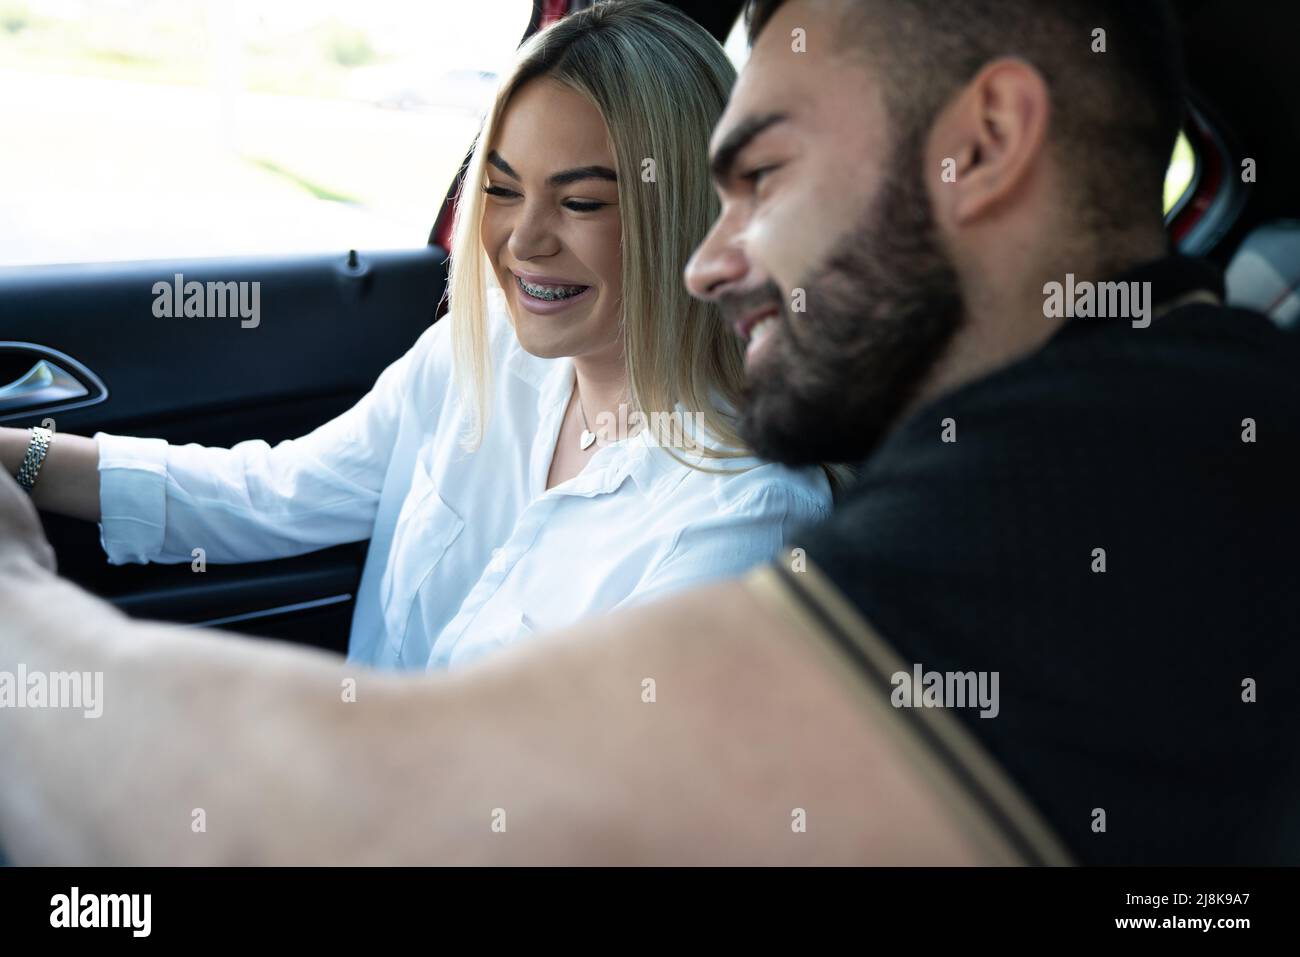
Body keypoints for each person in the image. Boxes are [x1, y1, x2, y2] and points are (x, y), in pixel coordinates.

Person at [2, 0, 1297, 865]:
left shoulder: (1126, 480)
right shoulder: (1093, 428)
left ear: (987, 143)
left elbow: (379, 820)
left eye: (764, 177)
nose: (709, 260)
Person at [0, 1, 833, 673]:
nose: (523, 240)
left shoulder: (742, 512)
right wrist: (17, 458)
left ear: (686, 213)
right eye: (502, 191)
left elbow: (567, 794)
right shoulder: (481, 358)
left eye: (580, 202)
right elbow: (269, 494)